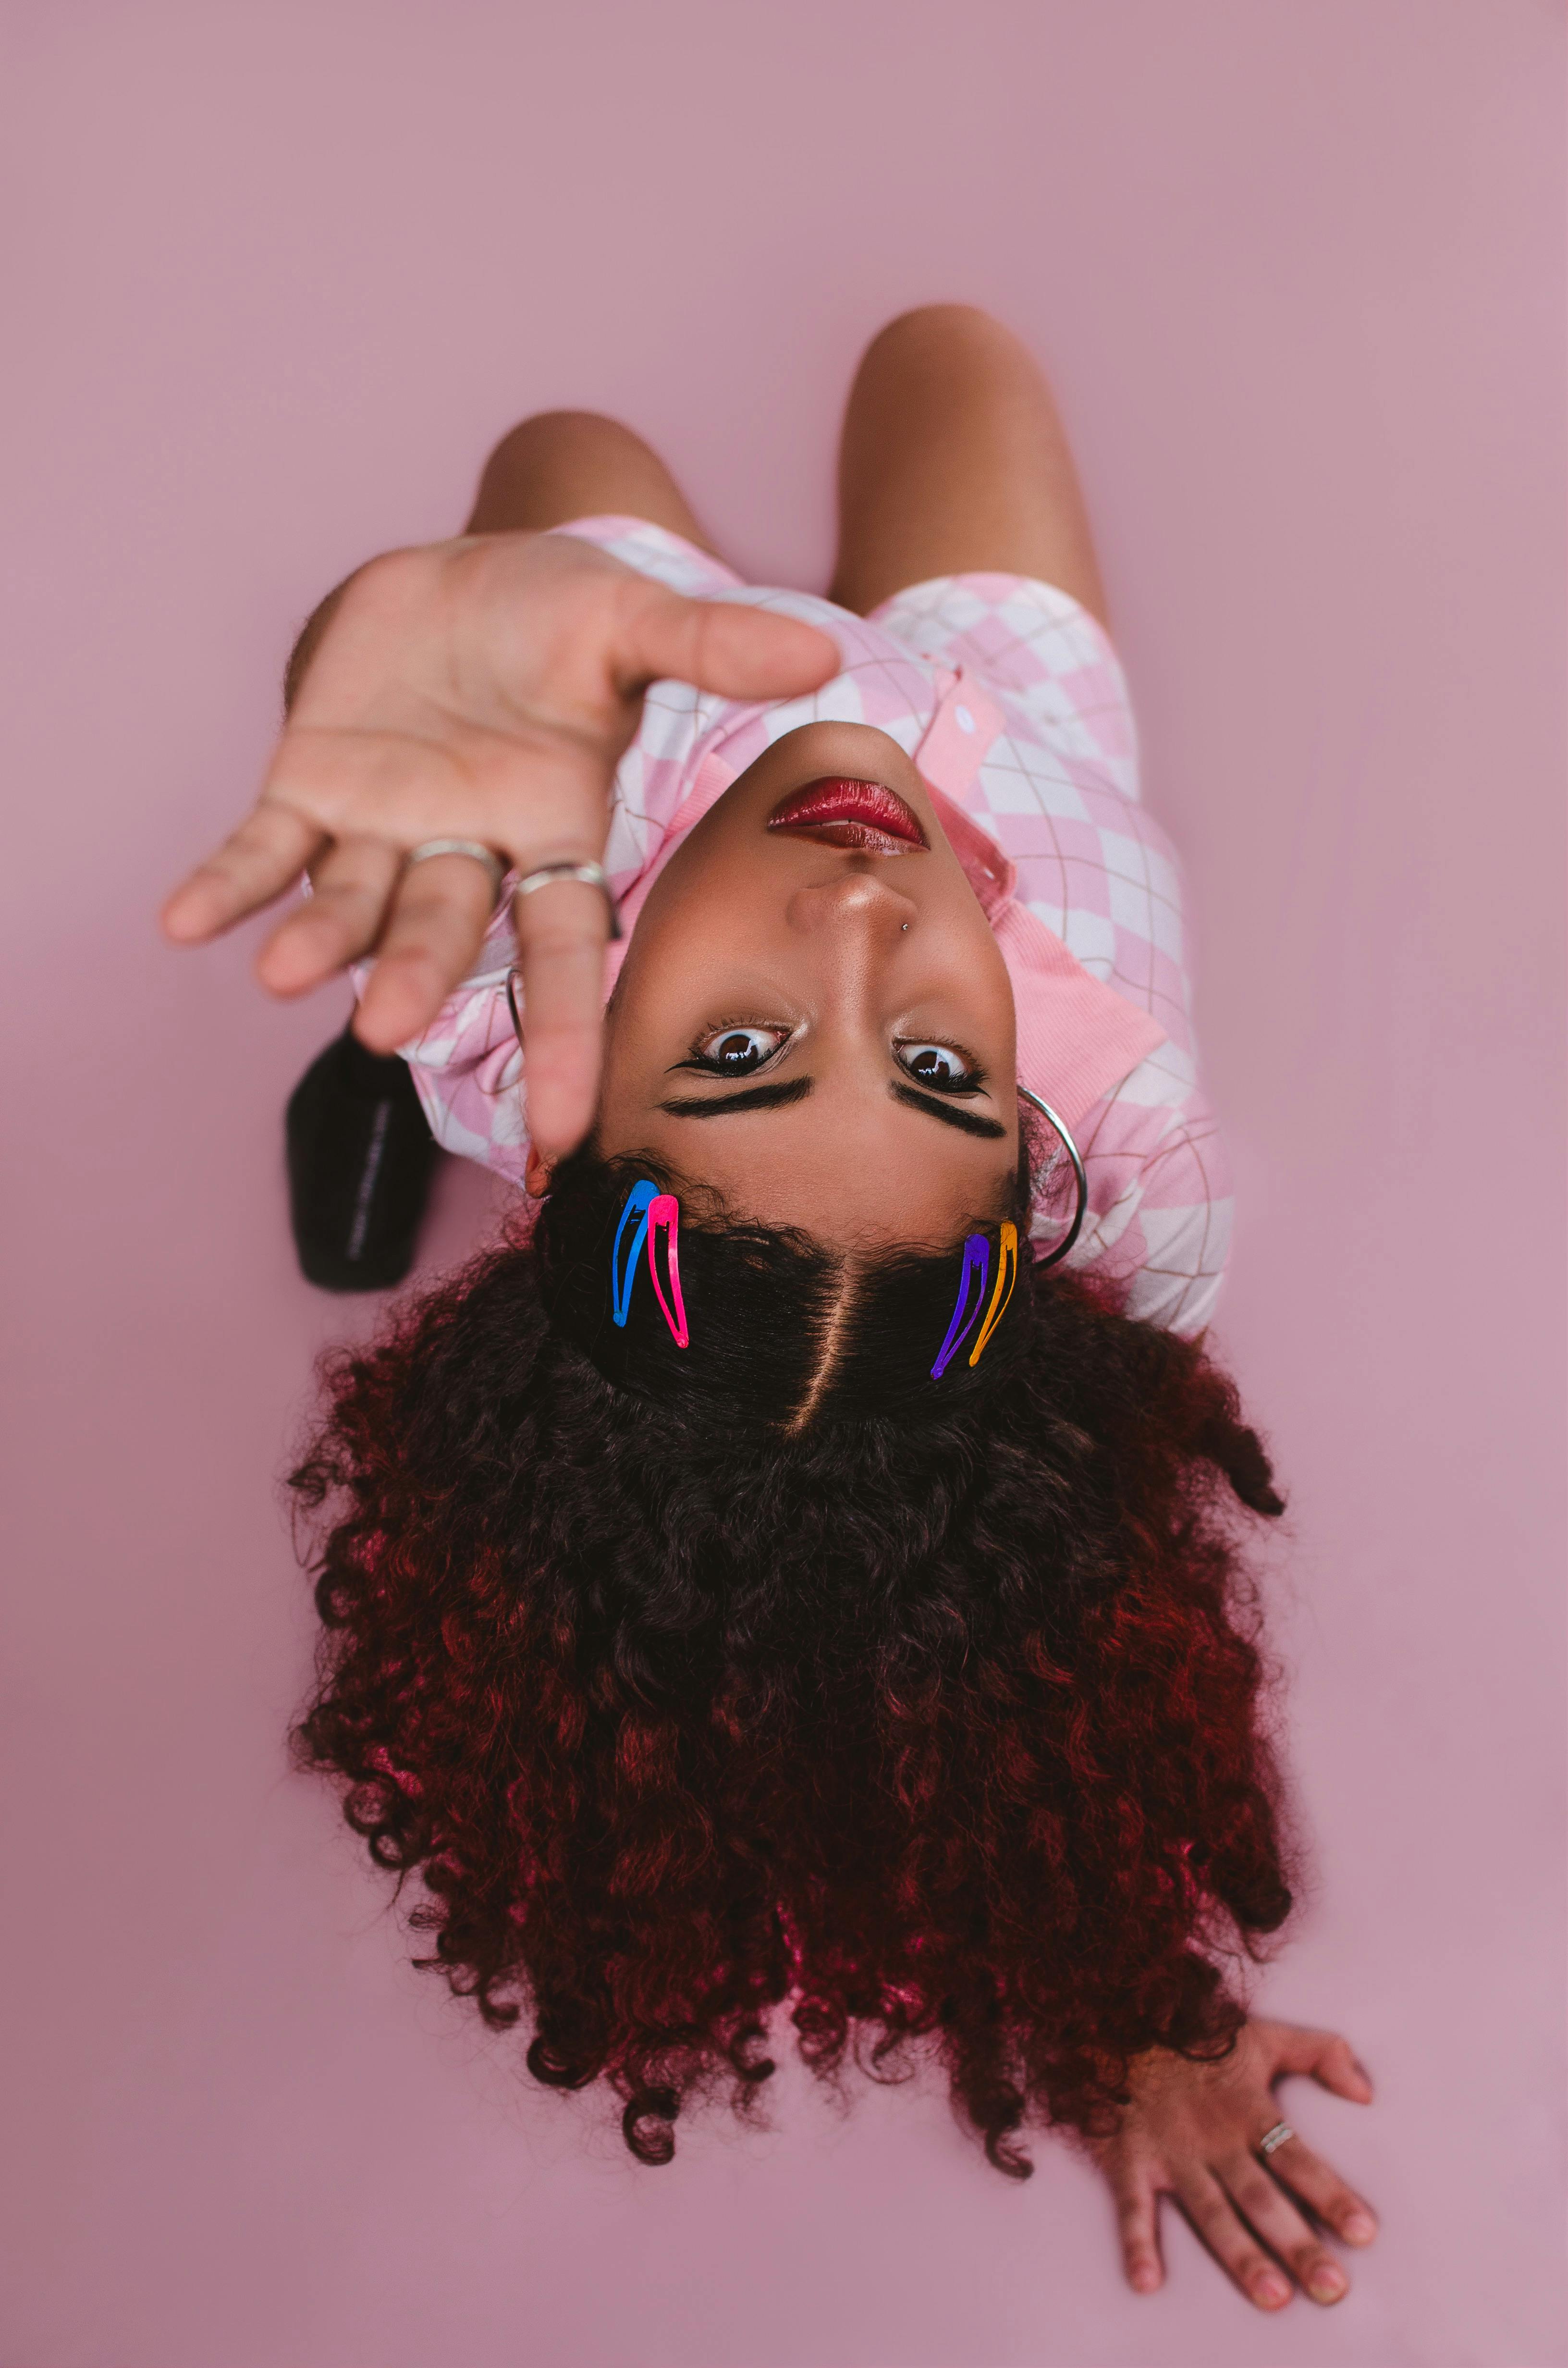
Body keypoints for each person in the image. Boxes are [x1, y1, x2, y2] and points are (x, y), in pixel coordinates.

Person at [162, 307, 1378, 2313]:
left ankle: (371, 1047)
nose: (865, 922)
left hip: (619, 750)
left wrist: (408, 643)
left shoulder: (531, 961)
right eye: (938, 1074)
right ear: (1029, 1185)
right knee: (949, 356)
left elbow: (409, 676)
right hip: (1014, 729)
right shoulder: (1136, 1166)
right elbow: (986, 1640)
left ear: (571, 1132)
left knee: (563, 458)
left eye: (739, 1053)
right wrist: (1144, 2019)